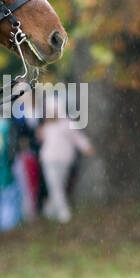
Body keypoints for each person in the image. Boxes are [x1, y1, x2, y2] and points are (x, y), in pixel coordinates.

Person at [38, 93, 93, 224]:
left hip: (64, 159)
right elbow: (41, 138)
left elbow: (78, 137)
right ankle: (63, 212)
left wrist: (87, 147)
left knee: (58, 186)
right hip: (49, 160)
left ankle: (50, 210)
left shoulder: (67, 123)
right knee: (54, 185)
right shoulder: (47, 126)